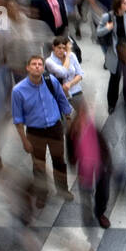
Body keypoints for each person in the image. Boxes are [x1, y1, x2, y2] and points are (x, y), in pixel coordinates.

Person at [11, 54, 74, 205]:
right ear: (28, 68)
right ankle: (42, 194)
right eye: (34, 64)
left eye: (40, 64)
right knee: (38, 164)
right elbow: (17, 119)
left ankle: (62, 189)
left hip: (54, 128)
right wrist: (24, 141)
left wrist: (69, 119)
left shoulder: (50, 81)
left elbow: (61, 99)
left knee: (59, 160)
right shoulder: (18, 91)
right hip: (35, 132)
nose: (38, 66)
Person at [98, 0, 126, 113]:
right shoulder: (107, 17)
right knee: (115, 77)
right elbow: (98, 32)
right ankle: (111, 103)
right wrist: (108, 28)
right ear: (118, 5)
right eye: (125, 3)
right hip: (115, 52)